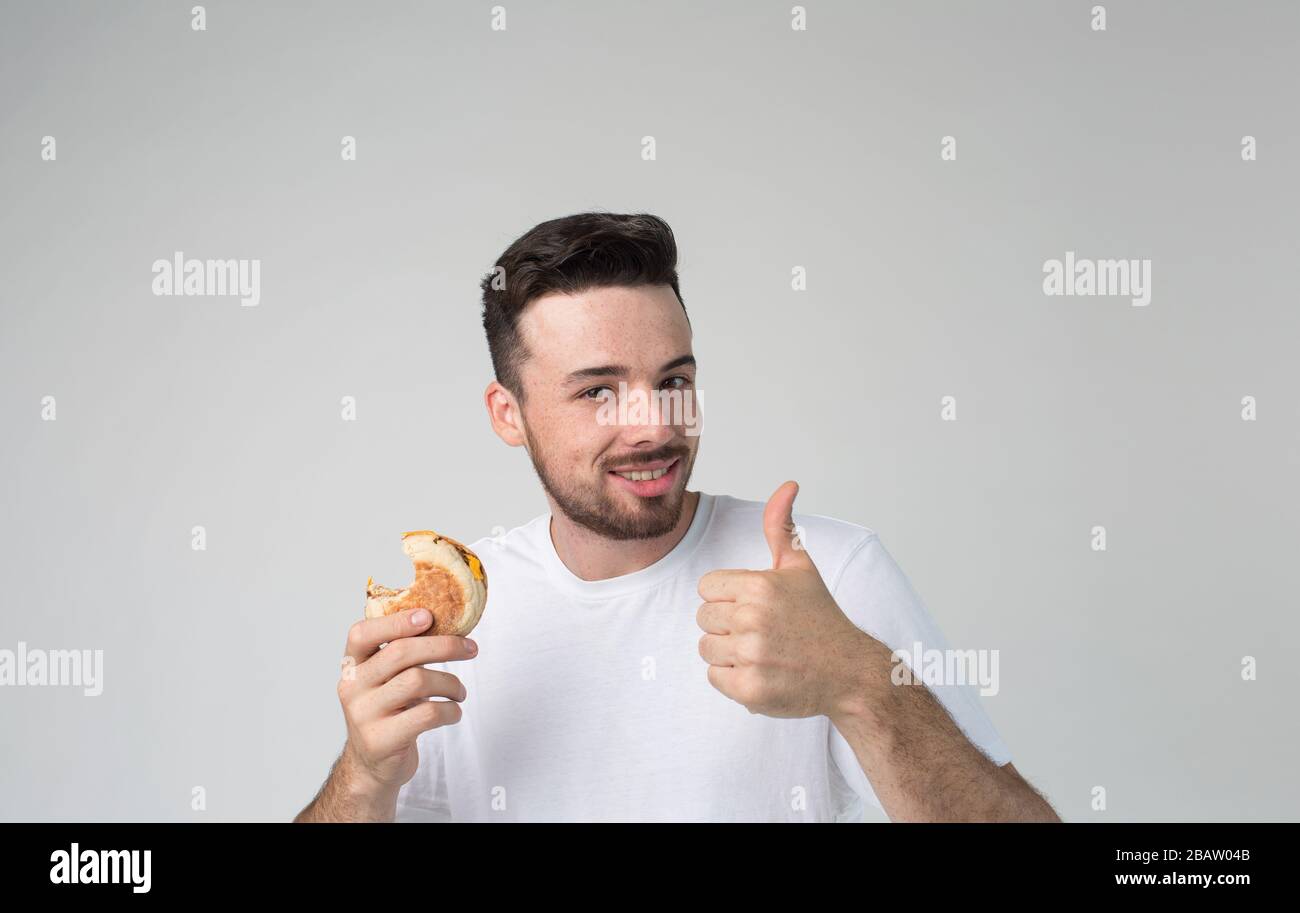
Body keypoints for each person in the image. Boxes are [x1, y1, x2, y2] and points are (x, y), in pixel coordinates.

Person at [295, 212, 1059, 822]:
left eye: (673, 380)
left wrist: (862, 683)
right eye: (597, 390)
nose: (654, 425)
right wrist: (363, 779)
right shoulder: (459, 627)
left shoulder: (829, 576)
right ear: (509, 413)